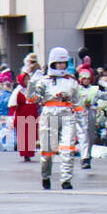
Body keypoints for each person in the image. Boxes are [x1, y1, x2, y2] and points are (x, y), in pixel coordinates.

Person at [33, 47, 79, 190]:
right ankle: (45, 176)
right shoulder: (44, 81)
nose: (61, 66)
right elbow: (32, 98)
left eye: (63, 63)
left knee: (68, 148)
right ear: (52, 64)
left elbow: (78, 101)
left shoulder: (71, 81)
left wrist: (81, 117)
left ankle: (66, 179)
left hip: (67, 114)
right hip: (49, 114)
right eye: (58, 63)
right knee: (47, 150)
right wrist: (33, 83)